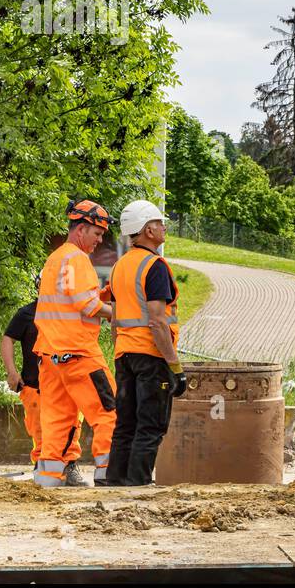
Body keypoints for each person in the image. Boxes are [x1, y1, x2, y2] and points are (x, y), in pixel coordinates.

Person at [32, 199, 117, 487]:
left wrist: (103, 295)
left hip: (50, 354)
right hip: (79, 353)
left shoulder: (56, 258)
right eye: (97, 233)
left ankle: (48, 479)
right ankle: (109, 474)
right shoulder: (78, 259)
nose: (100, 240)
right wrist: (121, 313)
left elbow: (68, 301)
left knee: (58, 420)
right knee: (110, 412)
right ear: (81, 229)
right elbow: (85, 304)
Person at [108, 200, 187, 486]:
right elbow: (157, 320)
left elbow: (115, 320)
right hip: (151, 357)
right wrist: (175, 367)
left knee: (125, 424)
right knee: (150, 425)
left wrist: (119, 356)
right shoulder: (154, 266)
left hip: (124, 355)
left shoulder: (119, 267)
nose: (164, 227)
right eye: (159, 223)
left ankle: (116, 483)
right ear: (147, 230)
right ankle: (139, 485)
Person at [0, 285, 85, 483]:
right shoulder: (27, 313)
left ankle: (70, 465)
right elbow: (8, 339)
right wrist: (11, 372)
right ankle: (43, 467)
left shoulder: (70, 314)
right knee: (39, 430)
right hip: (34, 385)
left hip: (66, 385)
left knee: (72, 427)